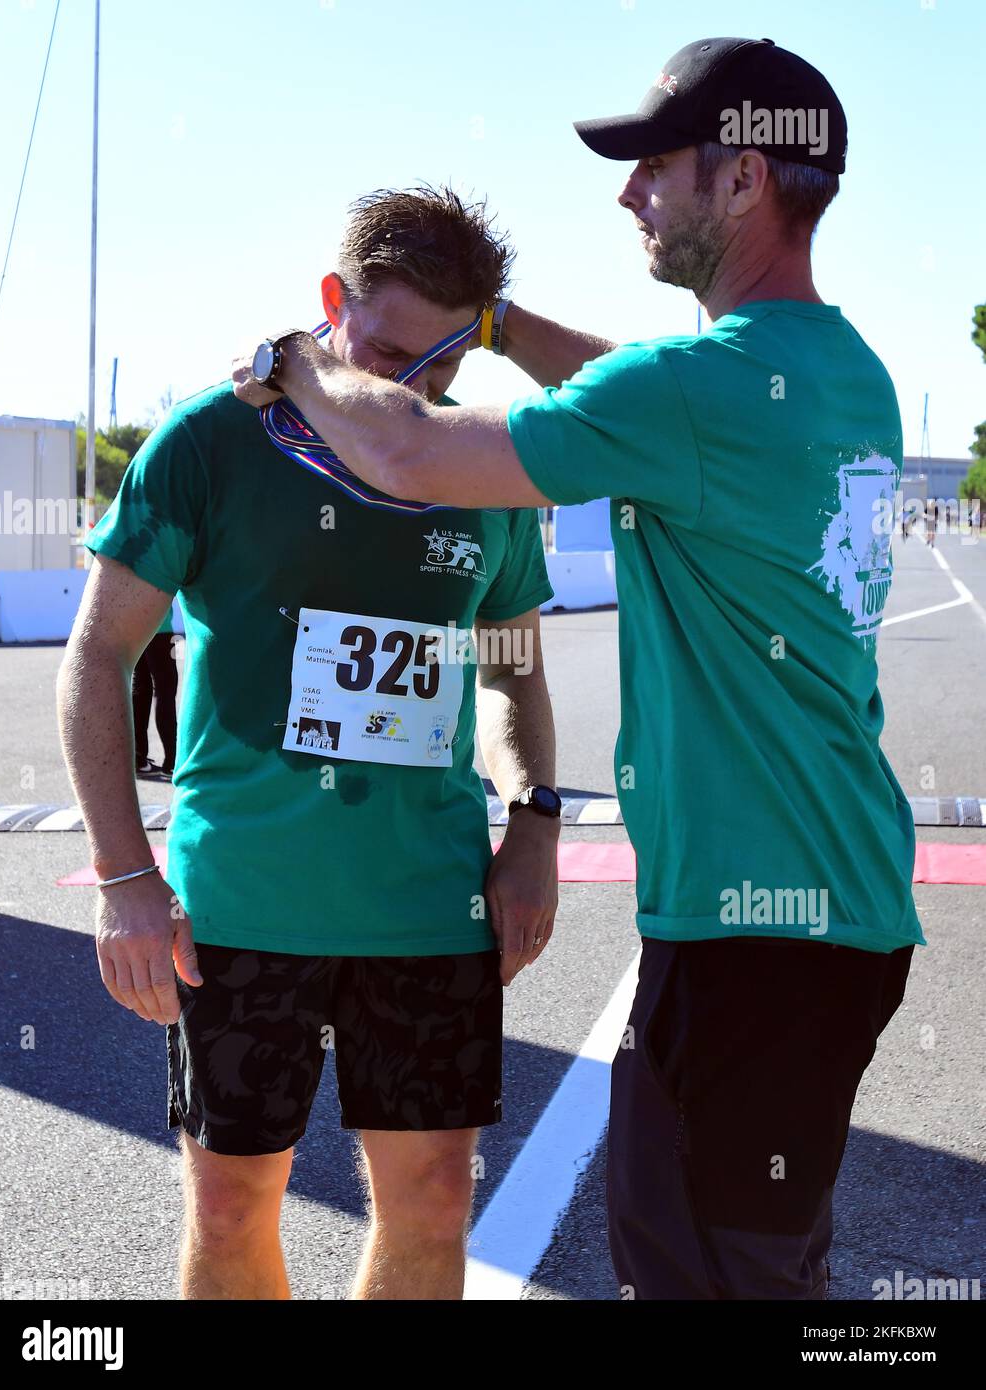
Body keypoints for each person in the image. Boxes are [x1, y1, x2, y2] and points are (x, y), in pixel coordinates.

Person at [234, 38, 925, 1301]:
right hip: (839, 914)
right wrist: (492, 324)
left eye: (653, 167)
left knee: (703, 1275)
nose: (627, 196)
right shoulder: (835, 371)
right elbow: (636, 390)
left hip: (747, 939)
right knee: (765, 1265)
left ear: (742, 179)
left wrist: (301, 365)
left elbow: (411, 455)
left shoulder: (700, 389)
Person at [57, 186, 560, 1301]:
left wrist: (534, 821)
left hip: (427, 908)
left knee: (434, 1204)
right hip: (241, 906)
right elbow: (97, 659)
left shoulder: (481, 469)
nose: (408, 392)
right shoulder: (210, 441)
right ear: (331, 305)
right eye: (385, 351)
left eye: (439, 369)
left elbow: (513, 667)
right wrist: (126, 876)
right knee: (234, 1205)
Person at [132, 607, 178, 778]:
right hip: (159, 627)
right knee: (165, 689)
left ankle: (139, 759)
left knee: (141, 689)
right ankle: (172, 762)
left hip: (133, 627)